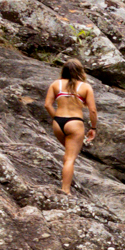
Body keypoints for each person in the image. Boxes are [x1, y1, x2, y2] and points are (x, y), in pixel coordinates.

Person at [41, 59, 99, 195]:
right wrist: (93, 128)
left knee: (67, 155)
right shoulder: (85, 87)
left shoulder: (56, 84)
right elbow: (93, 111)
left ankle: (66, 183)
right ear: (80, 71)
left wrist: (56, 117)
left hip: (58, 123)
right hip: (75, 123)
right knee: (70, 158)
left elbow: (47, 105)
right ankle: (65, 190)